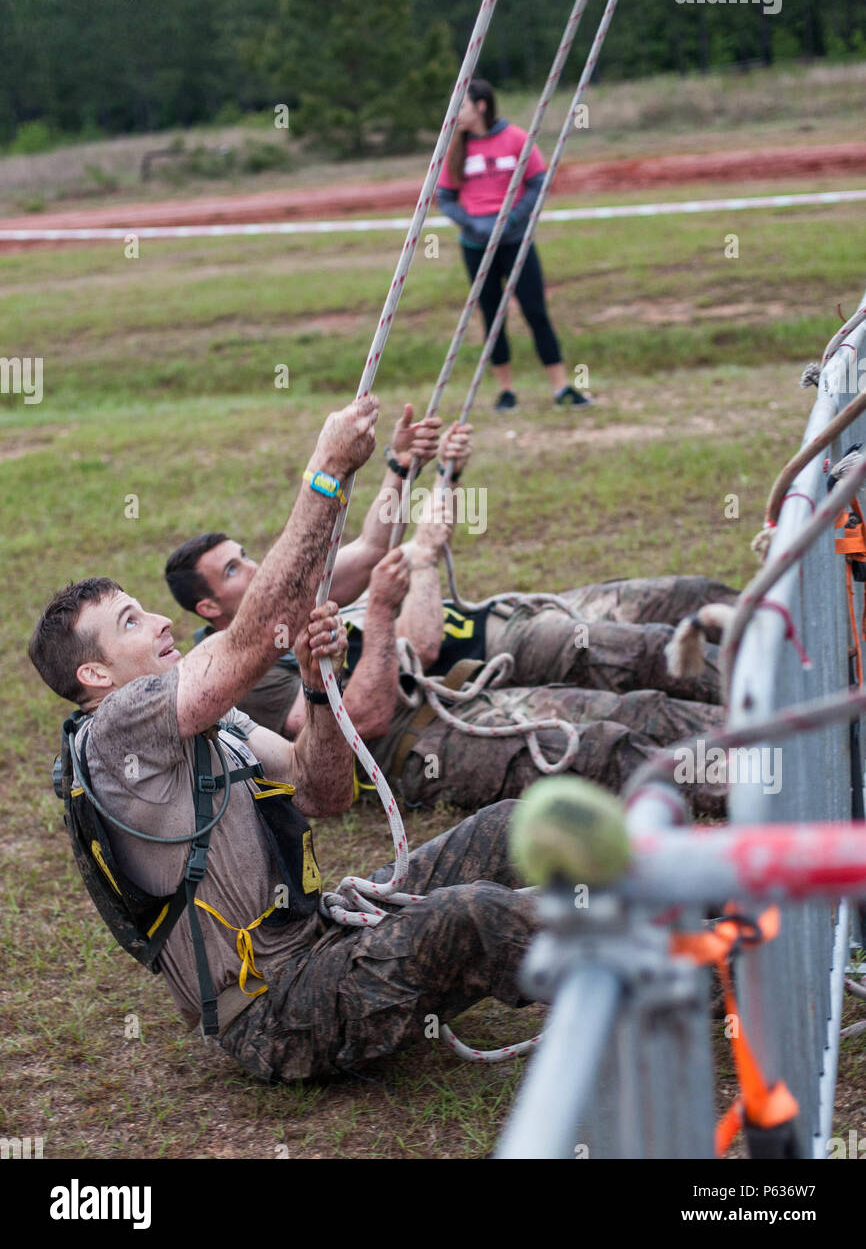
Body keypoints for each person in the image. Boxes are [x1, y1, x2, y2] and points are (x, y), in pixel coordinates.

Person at [29, 397, 538, 1084]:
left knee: (511, 827)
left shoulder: (212, 721)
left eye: (144, 607)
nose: (159, 622)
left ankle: (661, 896)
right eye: (129, 623)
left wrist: (317, 690)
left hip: (323, 937)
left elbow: (323, 791)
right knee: (472, 916)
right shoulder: (112, 731)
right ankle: (681, 965)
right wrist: (326, 470)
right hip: (280, 1014)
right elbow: (249, 635)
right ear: (94, 674)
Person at [166, 424, 736, 814]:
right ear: (209, 609)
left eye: (246, 554)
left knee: (640, 682)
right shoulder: (239, 673)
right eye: (236, 569)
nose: (259, 567)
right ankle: (772, 777)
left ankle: (777, 704)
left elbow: (368, 548)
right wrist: (389, 606)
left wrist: (398, 466)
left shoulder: (287, 596)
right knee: (609, 742)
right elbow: (361, 718)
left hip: (449, 678)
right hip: (422, 738)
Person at [437, 76, 588, 412]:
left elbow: (537, 183)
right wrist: (471, 223)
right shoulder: (455, 148)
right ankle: (506, 392)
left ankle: (561, 388)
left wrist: (514, 218)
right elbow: (444, 197)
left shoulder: (516, 138)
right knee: (492, 316)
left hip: (516, 243)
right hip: (476, 248)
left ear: (481, 105)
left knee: (536, 312)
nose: (454, 113)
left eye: (459, 105)